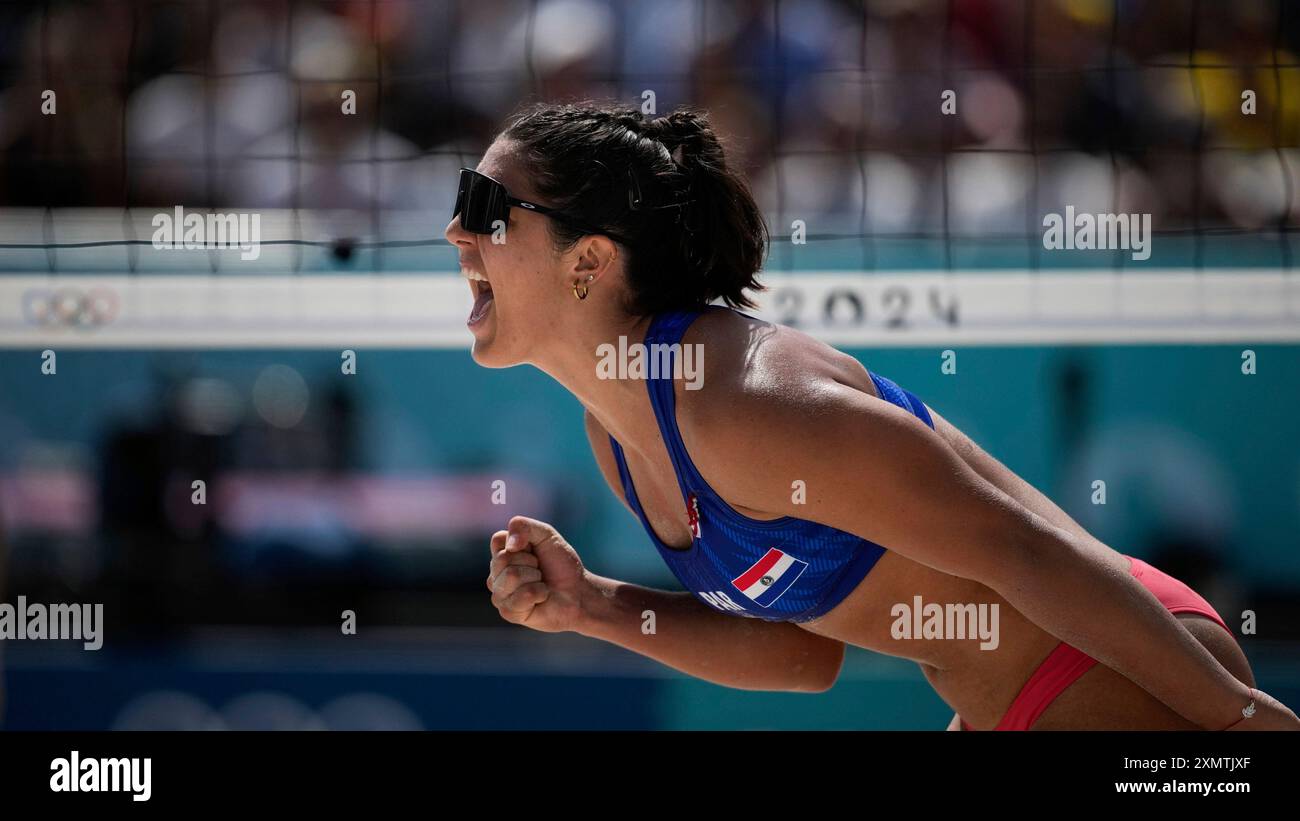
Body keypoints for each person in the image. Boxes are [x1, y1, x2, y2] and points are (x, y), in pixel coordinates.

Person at [447, 101, 1297, 730]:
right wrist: (590, 604)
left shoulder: (744, 404)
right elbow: (802, 656)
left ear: (588, 261)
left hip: (1119, 672)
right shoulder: (622, 433)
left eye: (485, 207)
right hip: (1015, 705)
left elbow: (1024, 548)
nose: (456, 230)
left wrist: (1239, 723)